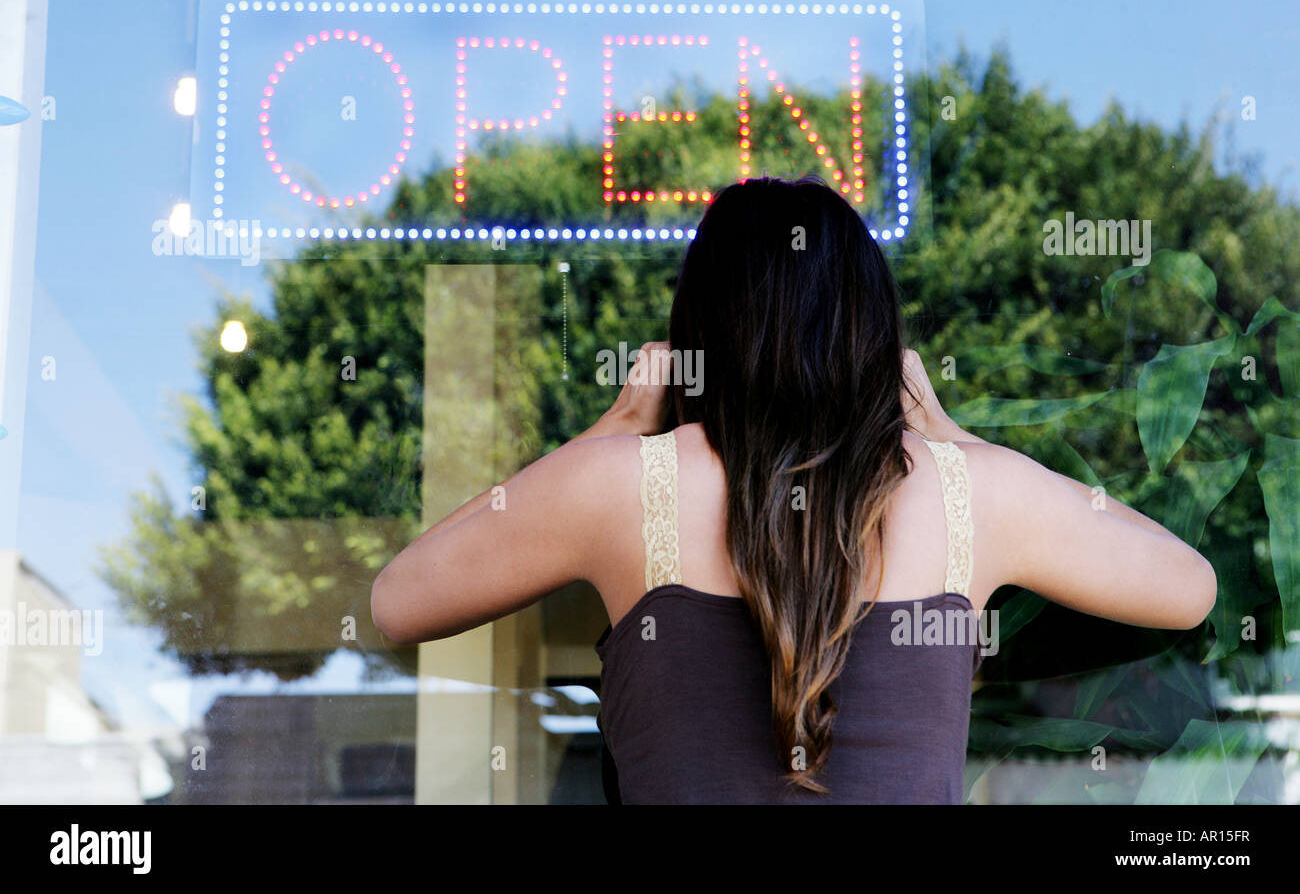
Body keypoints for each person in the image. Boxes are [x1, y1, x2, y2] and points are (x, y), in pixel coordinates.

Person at [370, 175, 1216, 803]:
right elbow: (1189, 586)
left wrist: (615, 427)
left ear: (701, 328)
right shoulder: (967, 494)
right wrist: (952, 437)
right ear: (871, 334)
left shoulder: (625, 485)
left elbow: (399, 600)